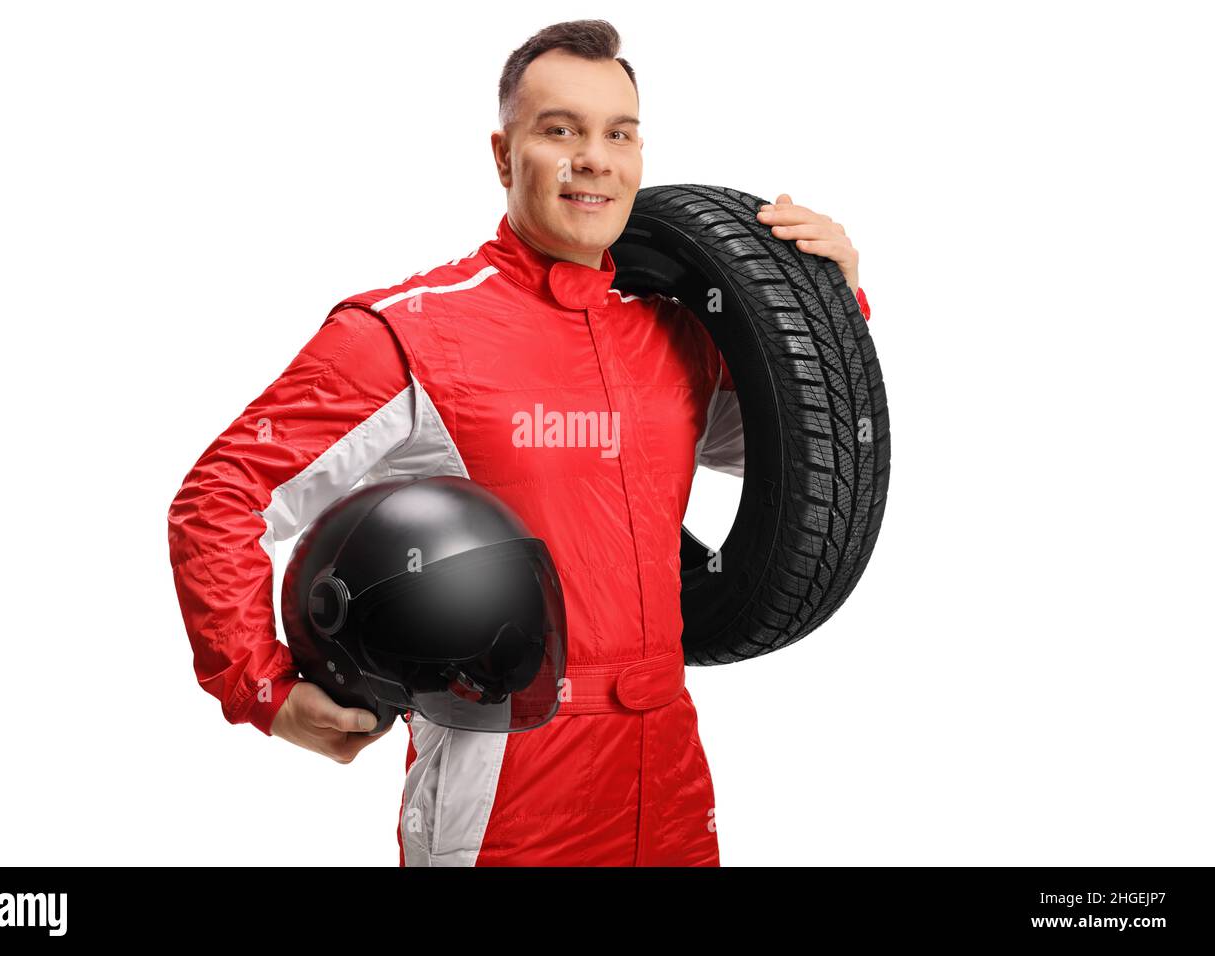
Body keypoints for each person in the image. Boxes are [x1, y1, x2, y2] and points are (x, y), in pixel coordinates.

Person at [166, 18, 870, 867]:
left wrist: (821, 312)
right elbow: (222, 497)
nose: (594, 159)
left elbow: (797, 455)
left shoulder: (672, 340)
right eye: (559, 130)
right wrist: (262, 687)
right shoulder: (408, 332)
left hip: (669, 773)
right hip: (504, 780)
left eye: (619, 133)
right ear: (504, 157)